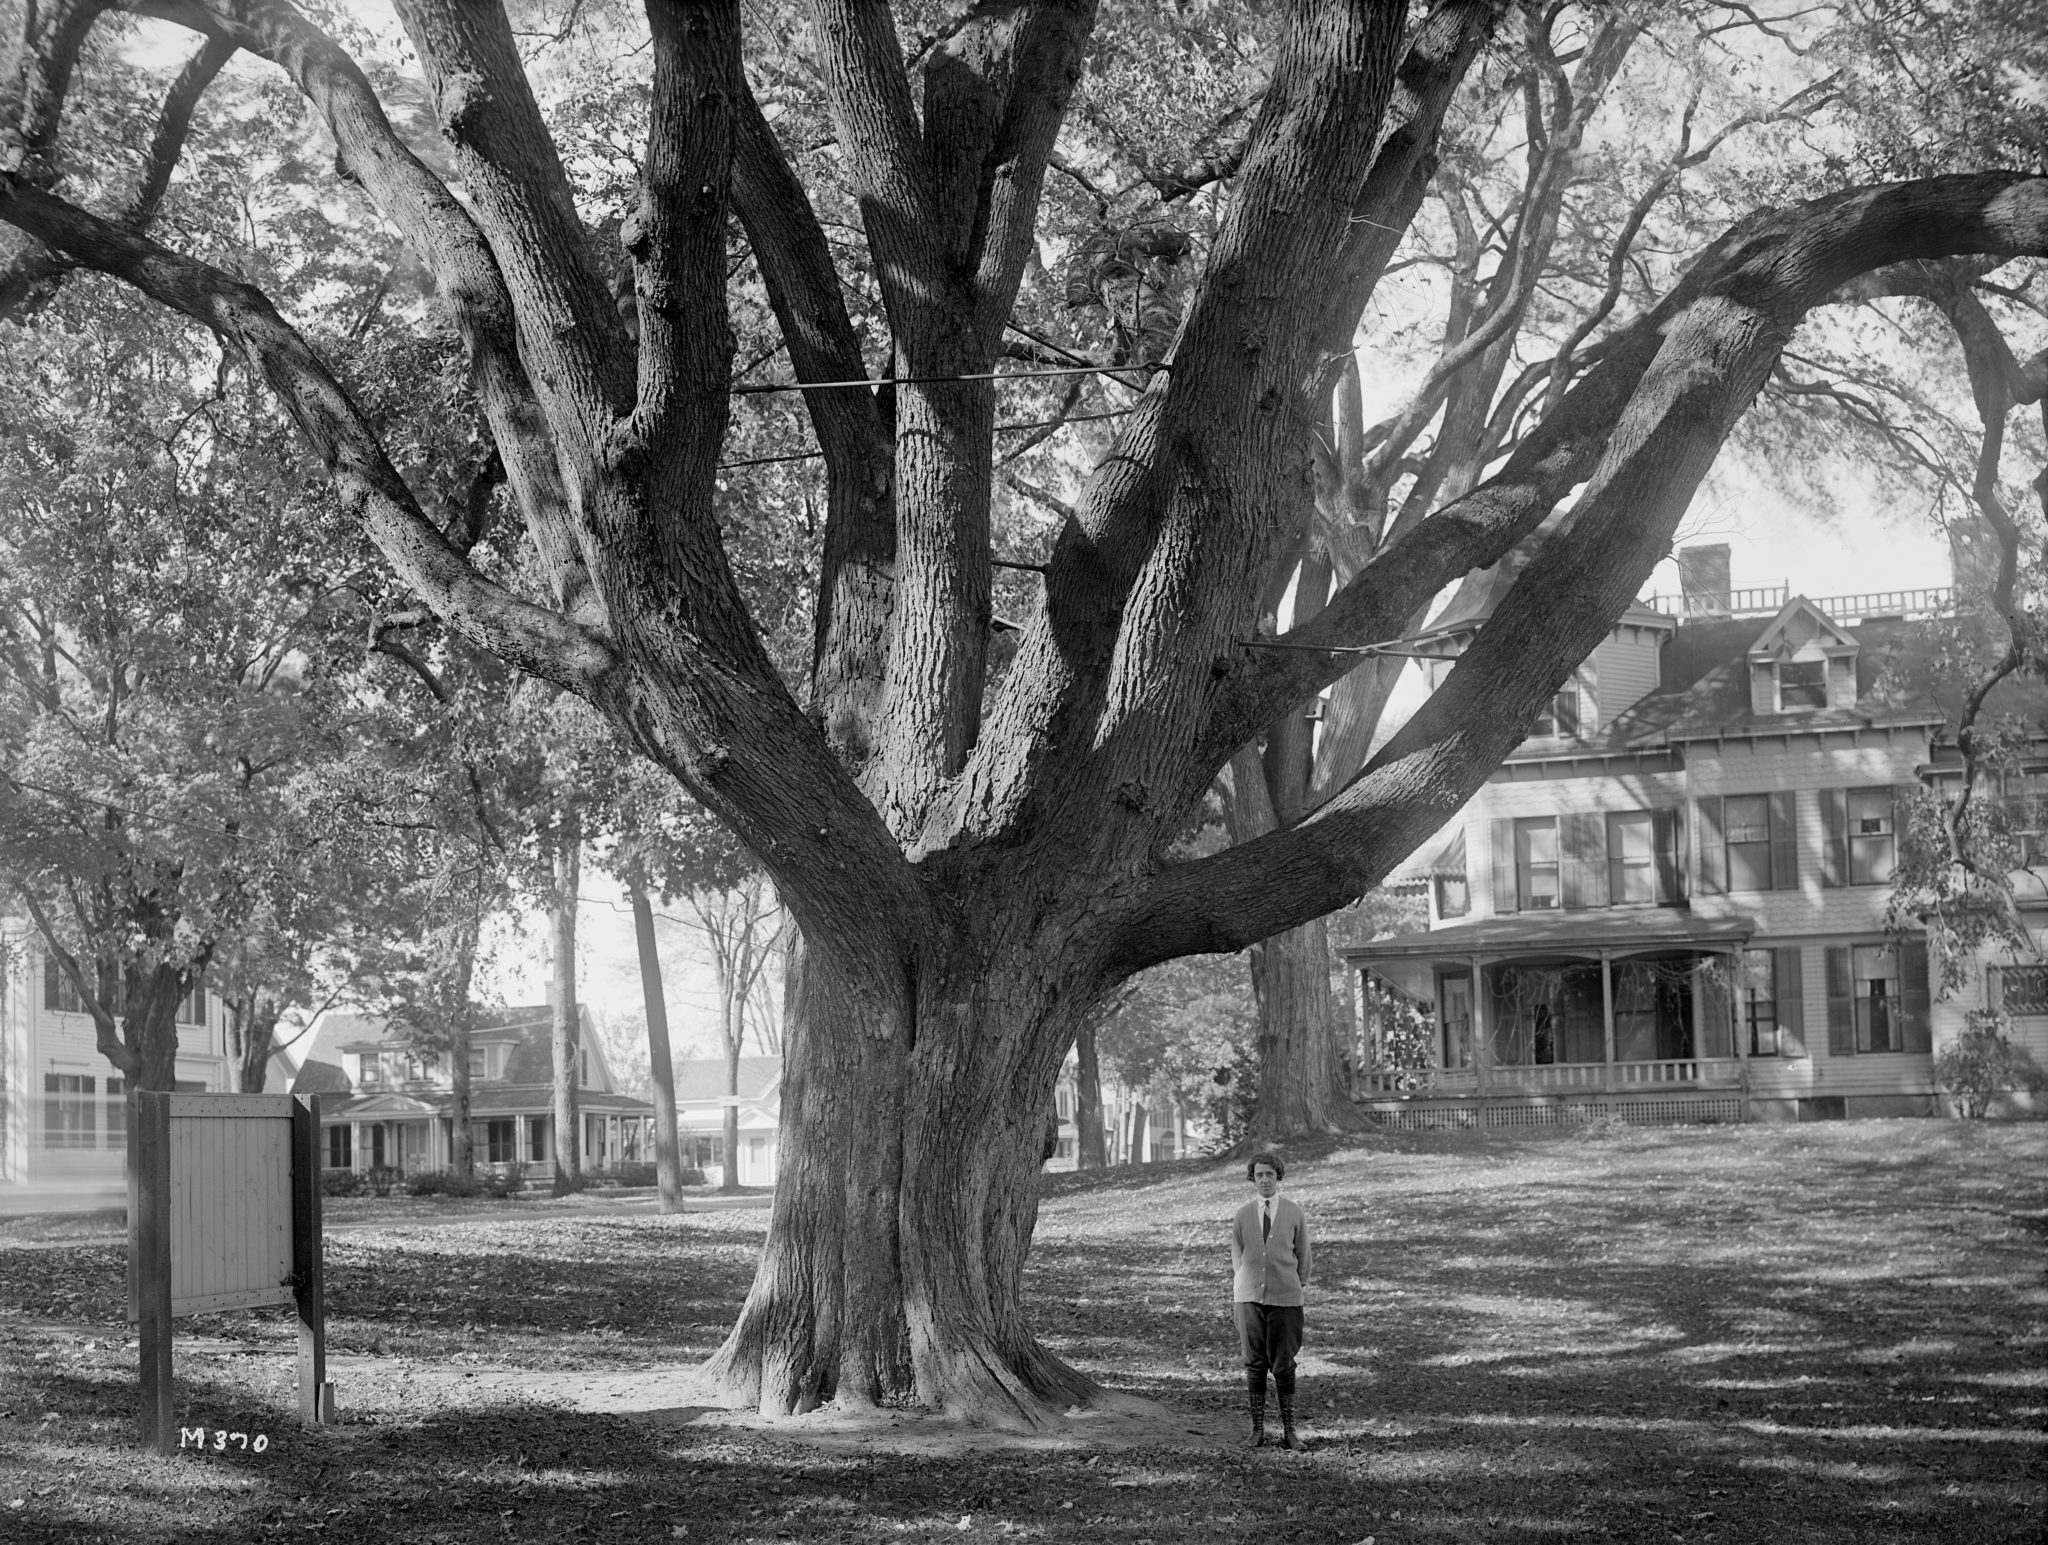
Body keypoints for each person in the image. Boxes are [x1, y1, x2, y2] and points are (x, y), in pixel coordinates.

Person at [1231, 1149, 1311, 1449]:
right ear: (1253, 1179)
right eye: (1260, 1174)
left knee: (1284, 1364)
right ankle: (1257, 1431)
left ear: (1279, 1178)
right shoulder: (1242, 1215)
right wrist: (1245, 1285)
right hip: (1249, 1299)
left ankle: (1290, 1432)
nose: (1265, 1180)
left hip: (1286, 1300)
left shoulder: (1293, 1213)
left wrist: (1293, 1285)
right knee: (1254, 1363)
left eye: (1270, 1174)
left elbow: (1304, 1256)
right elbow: (1237, 1256)